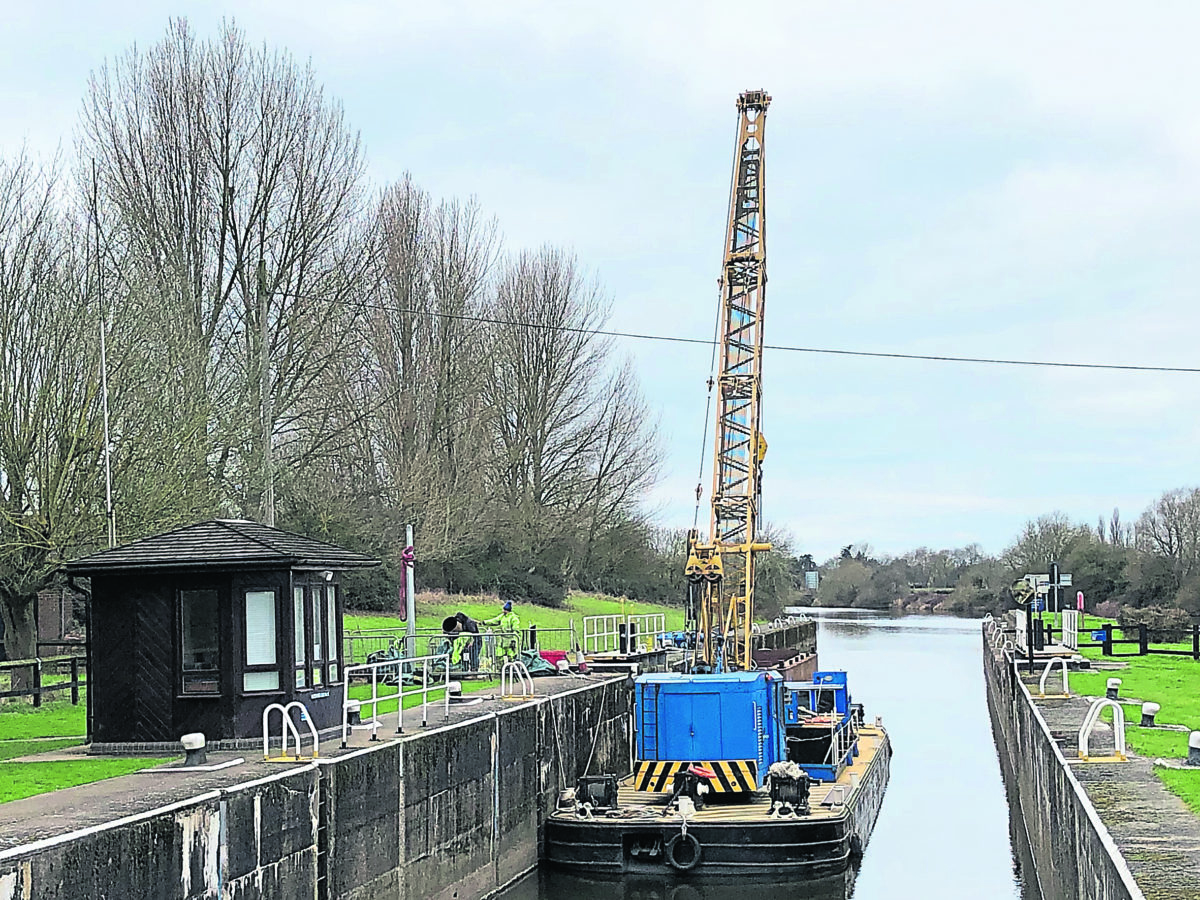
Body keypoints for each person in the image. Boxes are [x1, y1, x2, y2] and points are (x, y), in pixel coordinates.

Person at [484, 601, 521, 665]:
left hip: (510, 640)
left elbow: (516, 629)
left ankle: (512, 670)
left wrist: (514, 640)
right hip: (502, 640)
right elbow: (494, 620)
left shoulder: (513, 618)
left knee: (511, 656)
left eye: (504, 610)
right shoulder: (502, 617)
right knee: (498, 655)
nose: (503, 611)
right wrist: (484, 622)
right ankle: (499, 671)